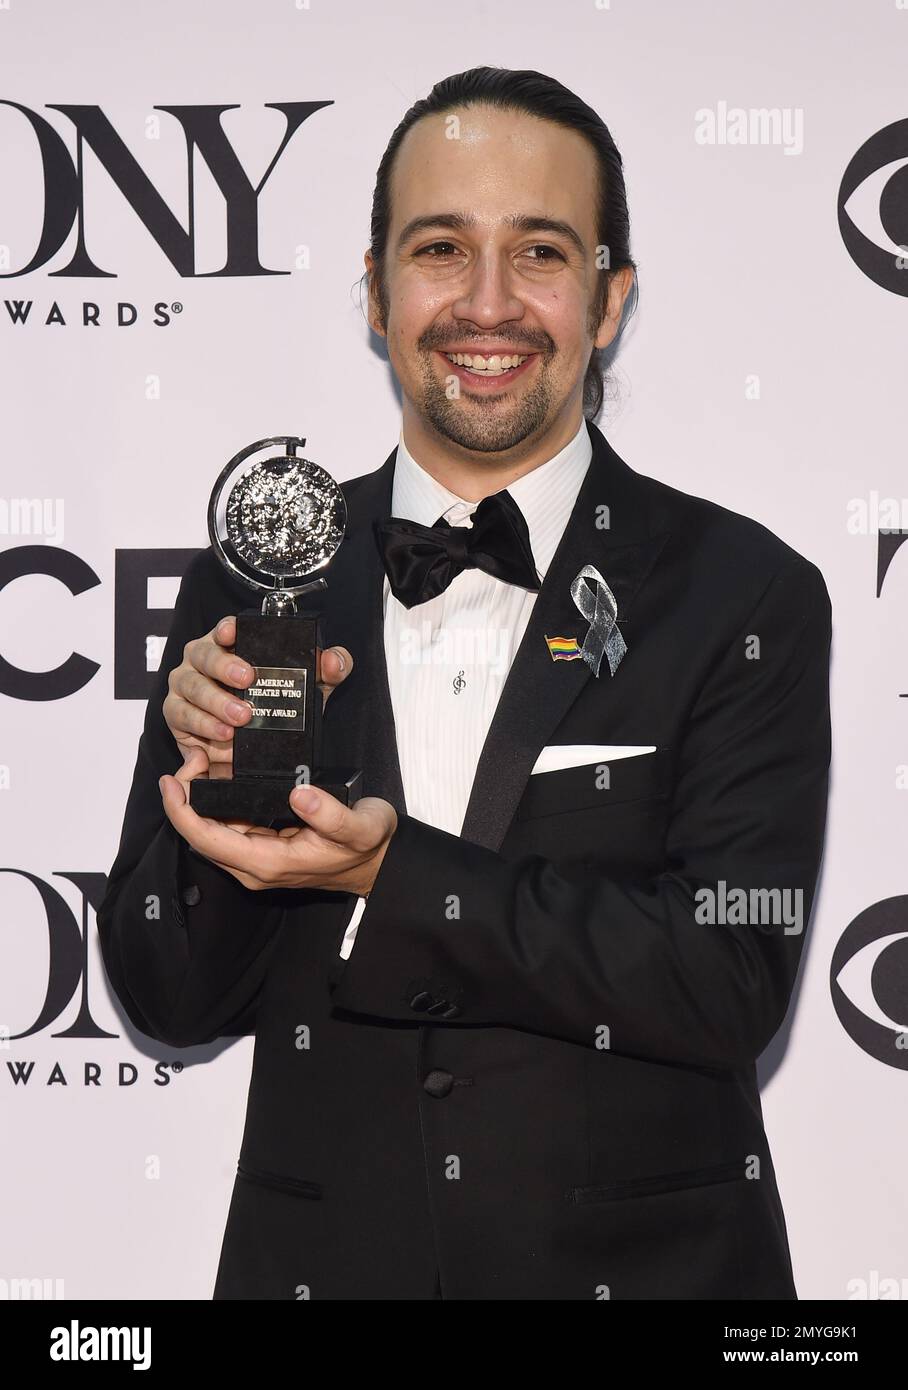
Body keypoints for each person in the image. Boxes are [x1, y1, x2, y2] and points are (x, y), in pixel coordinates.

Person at [97, 66, 832, 1300]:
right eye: (439, 248)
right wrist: (213, 814)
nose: (485, 304)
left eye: (538, 252)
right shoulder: (258, 572)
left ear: (608, 302)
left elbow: (728, 980)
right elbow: (168, 996)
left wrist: (394, 877)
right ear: (376, 294)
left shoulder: (741, 592)